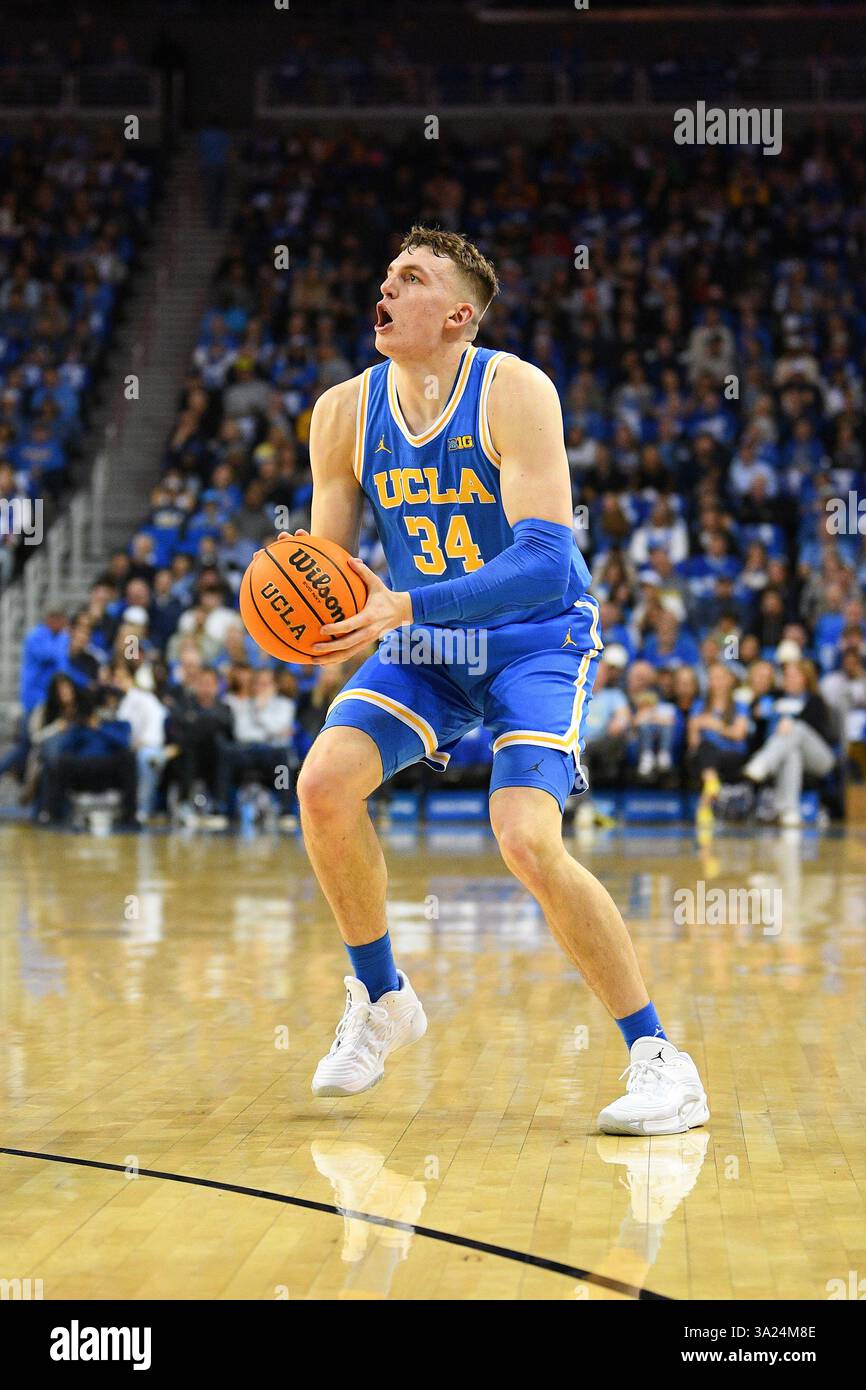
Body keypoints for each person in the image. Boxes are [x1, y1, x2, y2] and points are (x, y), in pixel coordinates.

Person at [283, 226, 708, 1135]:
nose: (386, 287)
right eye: (387, 272)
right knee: (321, 786)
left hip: (535, 639)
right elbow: (331, 569)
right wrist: (311, 615)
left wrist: (404, 608)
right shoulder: (340, 413)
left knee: (523, 837)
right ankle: (382, 995)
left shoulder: (513, 390)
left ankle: (660, 1058)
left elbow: (549, 564)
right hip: (427, 644)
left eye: (411, 277)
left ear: (458, 315)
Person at [743, 659, 837, 827]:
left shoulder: (815, 701)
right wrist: (758, 715)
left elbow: (821, 733)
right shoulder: (774, 698)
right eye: (787, 676)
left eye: (794, 676)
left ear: (805, 679)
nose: (789, 679)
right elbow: (758, 722)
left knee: (797, 727)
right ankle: (788, 811)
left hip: (820, 758)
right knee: (792, 754)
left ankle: (763, 762)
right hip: (785, 753)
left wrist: (789, 723)